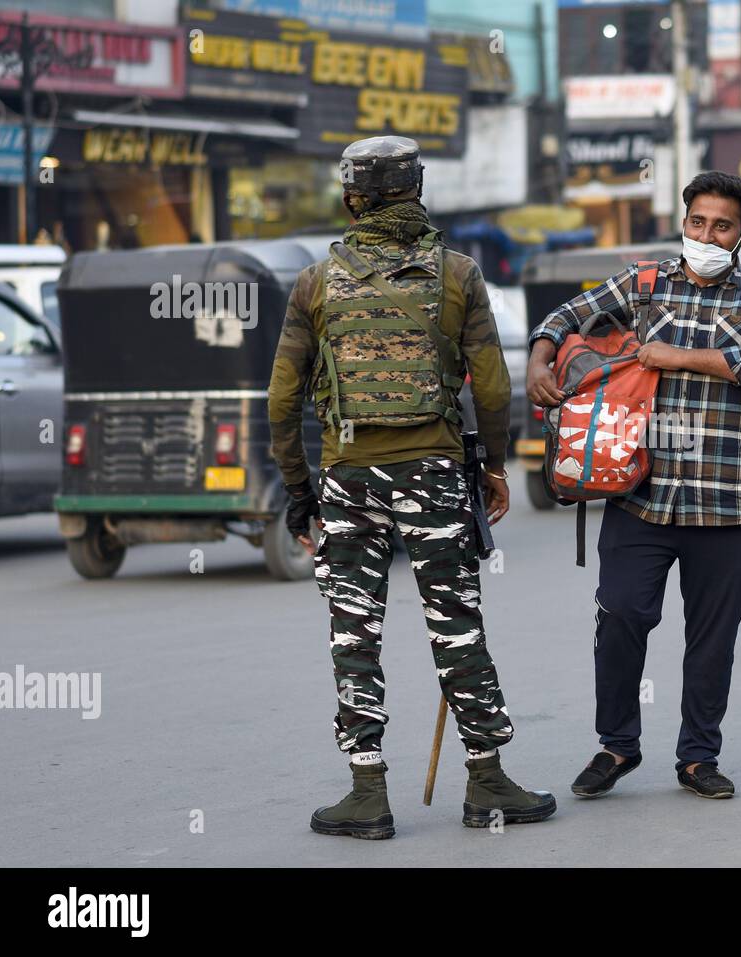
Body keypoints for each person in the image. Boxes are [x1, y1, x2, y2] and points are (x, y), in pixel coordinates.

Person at [267, 135, 555, 837]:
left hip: (348, 474)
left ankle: (367, 793)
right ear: (418, 189)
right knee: (457, 626)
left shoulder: (313, 282)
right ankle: (487, 781)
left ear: (350, 197)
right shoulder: (458, 275)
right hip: (433, 472)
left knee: (353, 633)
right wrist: (490, 464)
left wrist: (302, 494)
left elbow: (282, 402)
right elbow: (491, 383)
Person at [526, 171, 741, 800]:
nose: (706, 234)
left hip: (732, 501)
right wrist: (542, 357)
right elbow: (568, 314)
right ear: (685, 222)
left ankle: (698, 757)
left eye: (721, 226)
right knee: (620, 613)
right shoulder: (645, 282)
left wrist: (675, 357)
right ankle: (616, 746)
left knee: (711, 640)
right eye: (697, 222)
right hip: (643, 494)